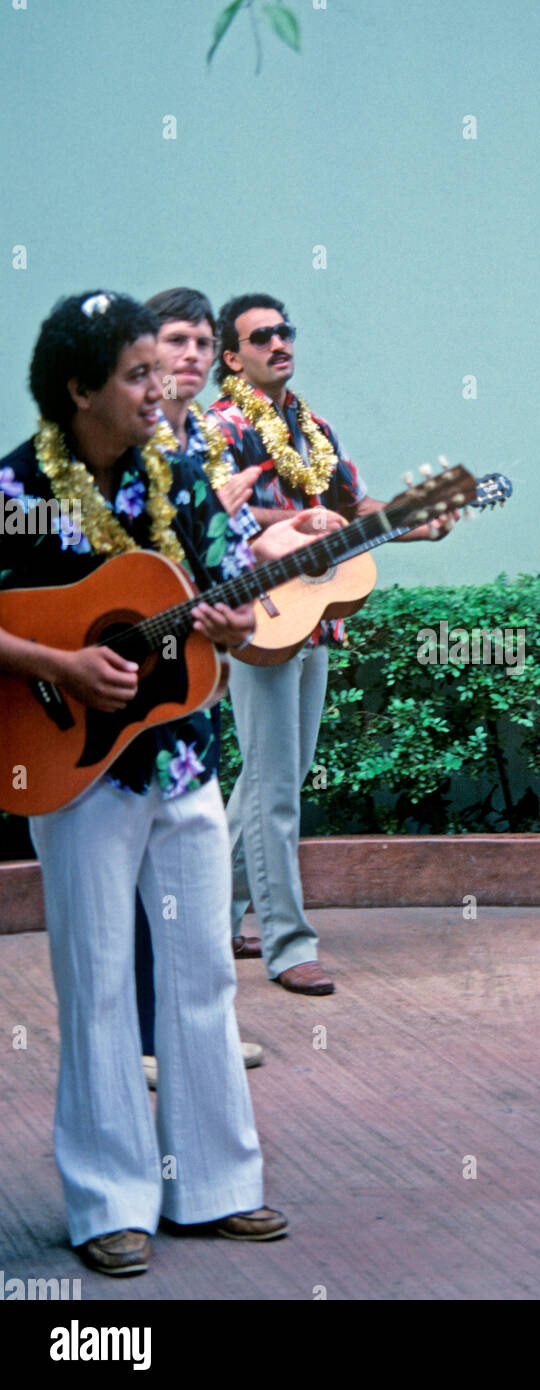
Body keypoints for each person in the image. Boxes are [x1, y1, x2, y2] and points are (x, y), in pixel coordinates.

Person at [0, 291, 319, 1272]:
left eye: (159, 369)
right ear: (78, 388)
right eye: (137, 374)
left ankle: (216, 1185)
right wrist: (58, 666)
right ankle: (108, 1203)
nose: (159, 386)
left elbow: (232, 605)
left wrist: (232, 624)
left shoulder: (182, 473)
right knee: (97, 981)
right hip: (74, 766)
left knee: (201, 974)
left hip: (180, 753)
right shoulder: (20, 488)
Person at [205, 293, 455, 996]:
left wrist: (418, 521)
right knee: (275, 784)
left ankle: (210, 912)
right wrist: (299, 518)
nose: (279, 344)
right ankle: (287, 943)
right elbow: (212, 507)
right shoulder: (220, 427)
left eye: (285, 332)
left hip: (316, 612)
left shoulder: (315, 429)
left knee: (275, 774)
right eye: (261, 337)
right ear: (233, 357)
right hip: (257, 613)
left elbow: (352, 510)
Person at [131, 287, 267, 1090]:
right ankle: (147, 1038)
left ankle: (200, 1033)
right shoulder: (117, 452)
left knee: (191, 873)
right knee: (133, 877)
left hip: (188, 693)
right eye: (174, 340)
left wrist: (239, 613)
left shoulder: (208, 451)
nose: (190, 355)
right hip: (120, 699)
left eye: (201, 342)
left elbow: (234, 574)